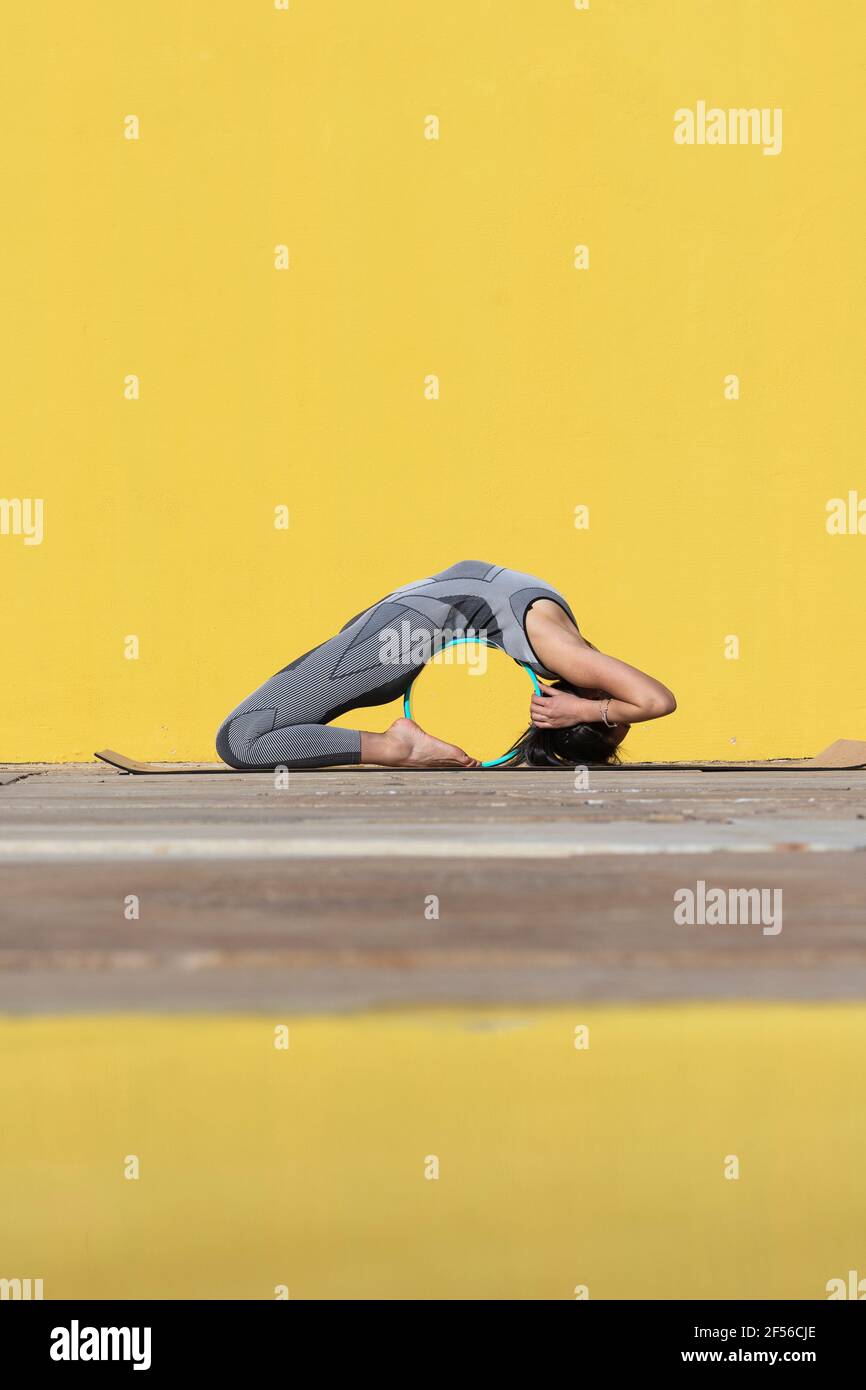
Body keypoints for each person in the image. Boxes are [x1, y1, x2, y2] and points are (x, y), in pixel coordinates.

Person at [215, 560, 676, 770]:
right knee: (250, 736)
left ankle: (395, 748)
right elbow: (657, 699)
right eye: (619, 714)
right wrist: (583, 715)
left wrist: (585, 712)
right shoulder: (566, 650)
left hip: (393, 639)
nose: (619, 709)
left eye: (614, 720)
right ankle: (395, 747)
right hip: (394, 634)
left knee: (243, 740)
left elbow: (653, 702)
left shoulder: (564, 647)